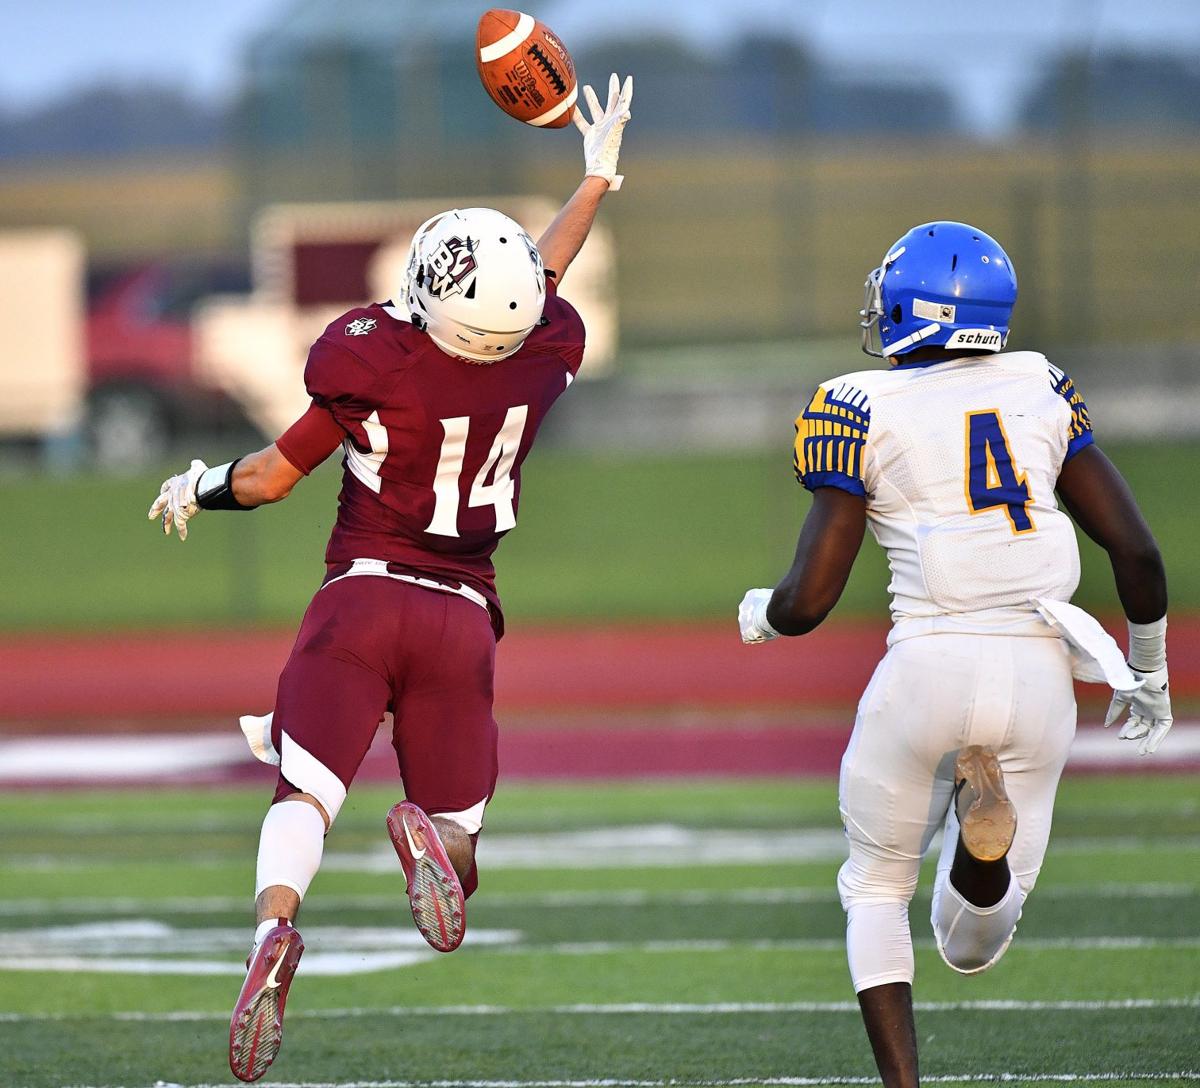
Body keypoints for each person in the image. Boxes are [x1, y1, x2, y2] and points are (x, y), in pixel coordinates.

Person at [147, 73, 633, 1084]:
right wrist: (594, 181)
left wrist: (200, 484)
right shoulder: (545, 353)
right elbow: (538, 279)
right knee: (462, 843)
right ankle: (432, 843)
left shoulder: (375, 359)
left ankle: (275, 929)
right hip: (462, 618)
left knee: (304, 790)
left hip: (363, 597)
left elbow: (272, 477)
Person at [737, 221, 1172, 1088]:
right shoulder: (1040, 384)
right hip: (1039, 673)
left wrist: (764, 614)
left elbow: (811, 598)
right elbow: (1136, 550)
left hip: (928, 664)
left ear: (915, 309)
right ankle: (980, 845)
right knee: (973, 945)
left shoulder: (855, 403)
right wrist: (1150, 668)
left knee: (874, 889)